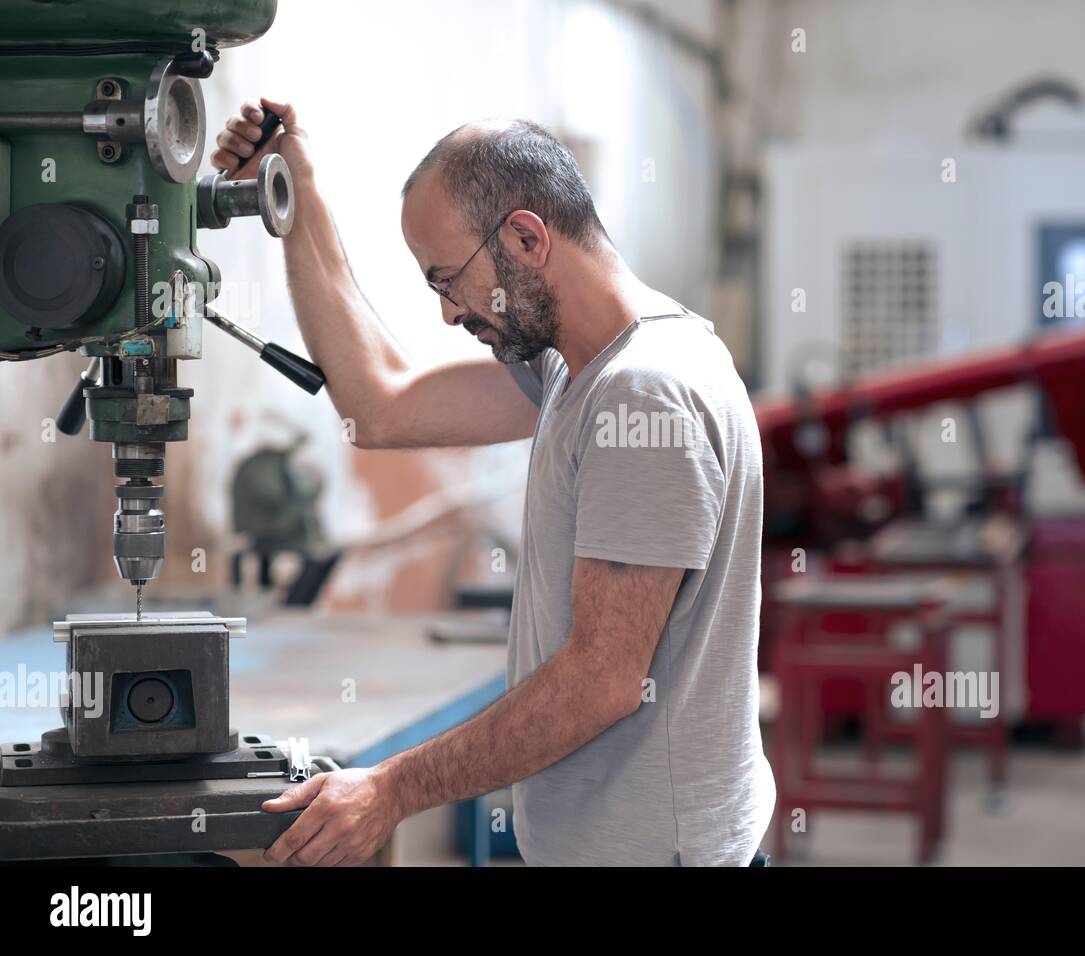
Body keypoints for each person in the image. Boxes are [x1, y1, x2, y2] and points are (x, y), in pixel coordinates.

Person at [212, 101, 775, 866]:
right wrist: (296, 197)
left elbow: (601, 681)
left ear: (524, 237)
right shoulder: (578, 366)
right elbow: (380, 403)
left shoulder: (644, 395)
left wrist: (391, 789)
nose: (447, 314)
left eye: (449, 281)